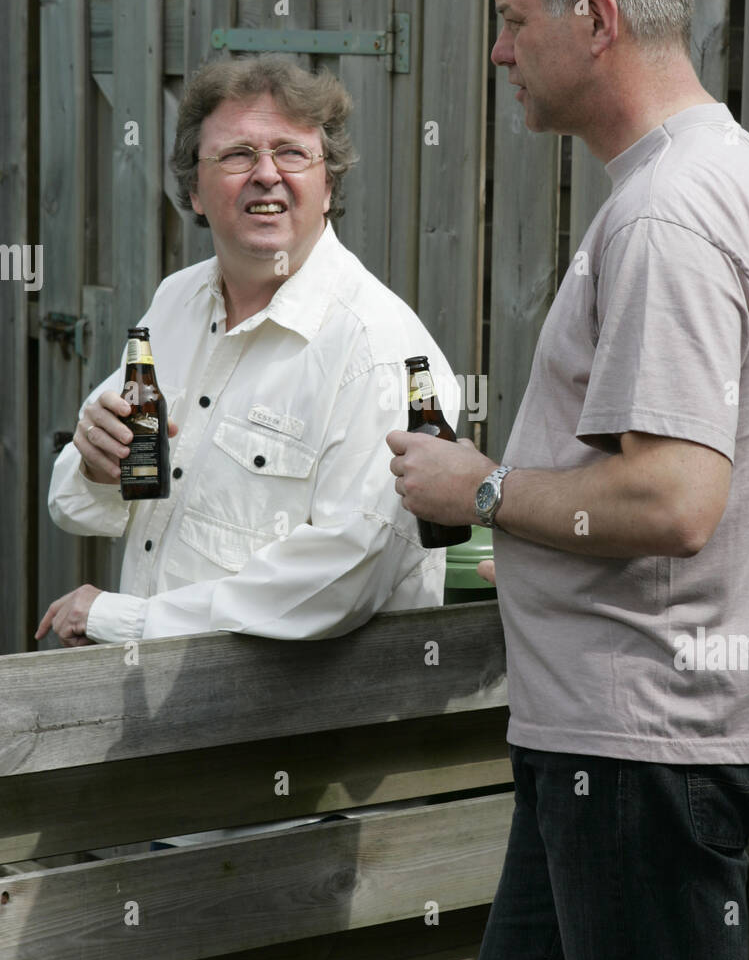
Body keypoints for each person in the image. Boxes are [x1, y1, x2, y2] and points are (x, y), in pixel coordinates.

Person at [386, 0, 749, 960]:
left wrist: (483, 490)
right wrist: (541, 543)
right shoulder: (713, 173)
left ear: (593, 20)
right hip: (614, 737)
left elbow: (671, 497)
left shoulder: (669, 212)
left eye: (510, 18)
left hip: (649, 738)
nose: (498, 52)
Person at [40, 54, 459, 647]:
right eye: (237, 154)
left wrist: (124, 621)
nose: (267, 174)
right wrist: (94, 464)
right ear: (196, 190)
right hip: (159, 711)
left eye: (291, 153)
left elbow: (340, 581)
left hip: (299, 730)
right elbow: (73, 505)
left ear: (328, 183)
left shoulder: (377, 347)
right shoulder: (176, 302)